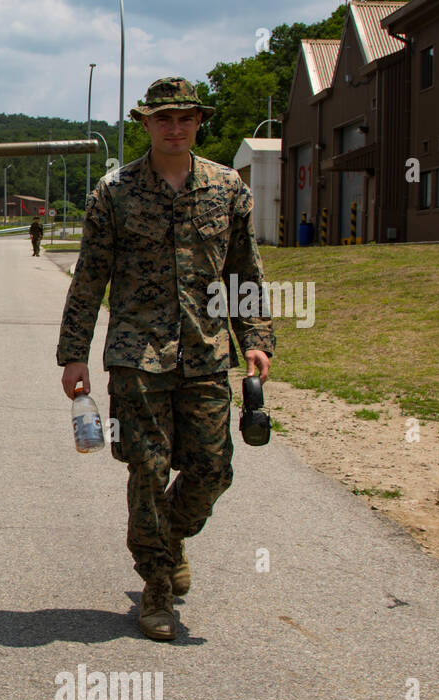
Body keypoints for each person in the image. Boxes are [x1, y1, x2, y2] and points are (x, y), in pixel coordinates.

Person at [56, 77, 274, 641]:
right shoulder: (114, 192)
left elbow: (243, 273)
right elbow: (89, 278)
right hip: (137, 356)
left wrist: (255, 336)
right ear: (145, 123)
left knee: (212, 469)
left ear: (198, 122)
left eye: (185, 118)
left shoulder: (228, 190)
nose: (175, 127)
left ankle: (169, 540)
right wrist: (73, 355)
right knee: (147, 473)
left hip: (206, 352)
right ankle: (156, 585)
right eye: (163, 119)